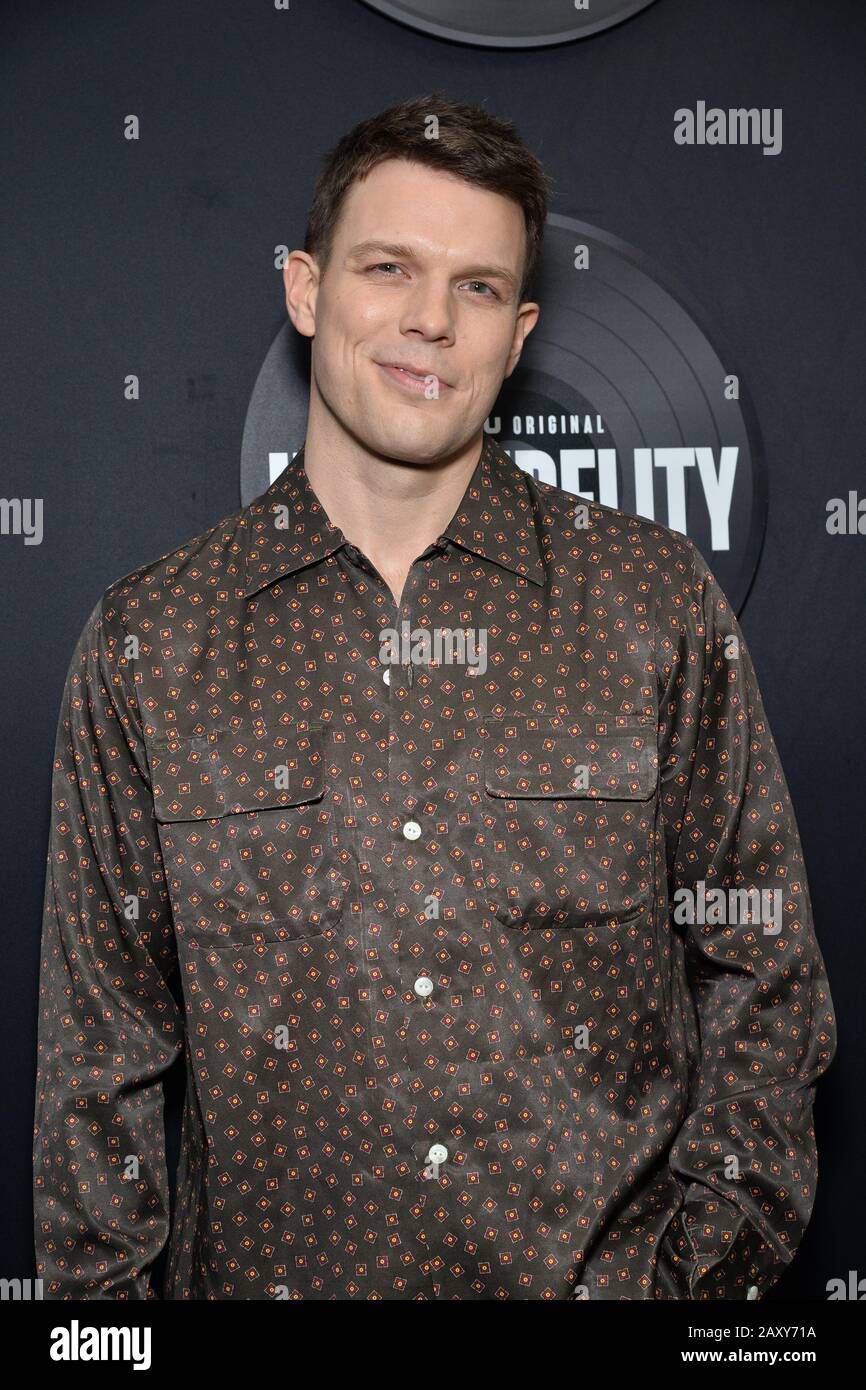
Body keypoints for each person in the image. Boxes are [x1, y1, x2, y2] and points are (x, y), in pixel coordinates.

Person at [33, 92, 837, 1300]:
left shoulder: (650, 602)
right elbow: (99, 1062)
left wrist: (691, 1285)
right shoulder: (152, 641)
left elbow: (760, 963)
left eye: (473, 287)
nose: (427, 321)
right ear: (306, 291)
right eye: (388, 267)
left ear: (515, 336)